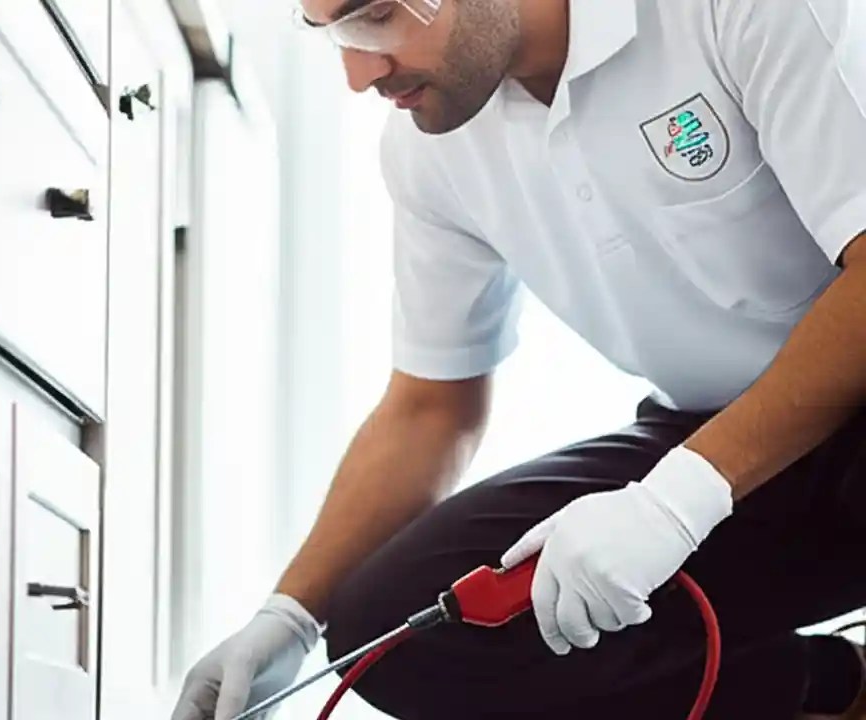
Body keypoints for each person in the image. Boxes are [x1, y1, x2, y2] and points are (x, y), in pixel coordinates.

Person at [169, 0, 866, 717]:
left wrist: (676, 502)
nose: (357, 73)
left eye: (375, 16)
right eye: (333, 34)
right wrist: (290, 614)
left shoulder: (738, 11)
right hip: (723, 441)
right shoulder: (428, 147)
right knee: (394, 633)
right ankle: (834, 689)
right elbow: (432, 406)